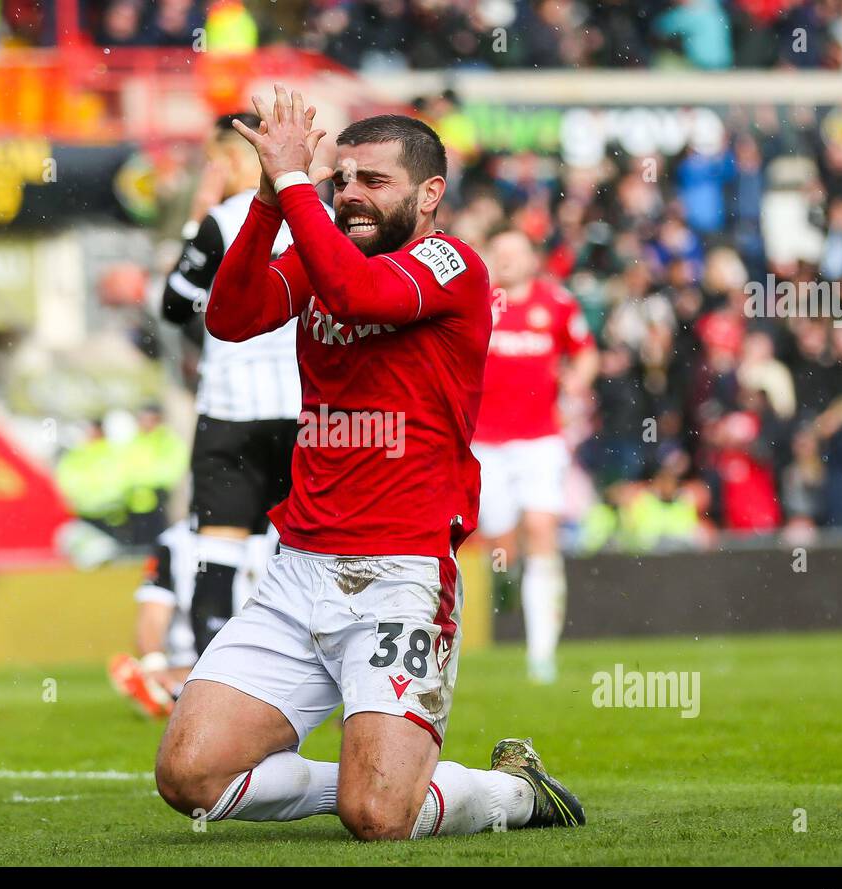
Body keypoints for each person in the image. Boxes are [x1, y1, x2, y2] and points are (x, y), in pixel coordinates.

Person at [154, 86, 586, 841]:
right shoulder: (329, 255)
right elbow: (229, 316)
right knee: (190, 777)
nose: (349, 195)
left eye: (372, 181)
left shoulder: (451, 261)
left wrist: (297, 188)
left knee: (381, 819)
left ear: (429, 194)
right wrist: (266, 200)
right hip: (299, 569)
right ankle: (370, 782)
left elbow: (355, 299)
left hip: (399, 575)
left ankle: (514, 793)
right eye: (340, 178)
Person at [160, 113, 331, 658]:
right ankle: (302, 676)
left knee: (218, 550)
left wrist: (195, 222)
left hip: (234, 412)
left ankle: (214, 681)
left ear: (235, 160)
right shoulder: (326, 219)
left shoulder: (223, 221)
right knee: (299, 555)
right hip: (309, 414)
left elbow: (172, 306)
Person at [473, 229, 598, 684]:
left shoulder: (558, 303)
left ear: (532, 258)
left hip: (540, 438)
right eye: (499, 253)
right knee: (501, 543)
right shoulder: (478, 300)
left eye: (514, 253)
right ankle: (506, 578)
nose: (506, 260)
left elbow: (585, 354)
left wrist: (575, 383)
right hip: (484, 442)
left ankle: (541, 654)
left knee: (543, 529)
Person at [108, 519, 277, 718]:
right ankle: (172, 690)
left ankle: (176, 697)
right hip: (190, 662)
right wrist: (154, 663)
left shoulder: (282, 535)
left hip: (262, 660)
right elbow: (153, 612)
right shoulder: (174, 541)